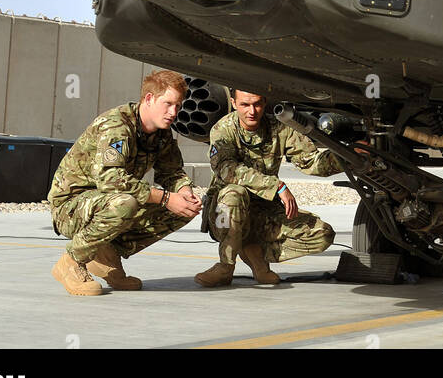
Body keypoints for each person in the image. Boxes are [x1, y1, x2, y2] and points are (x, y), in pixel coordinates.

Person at [48, 70, 202, 295]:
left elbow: (172, 172)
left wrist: (184, 192)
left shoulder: (162, 134)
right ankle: (71, 262)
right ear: (149, 99)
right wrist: (167, 198)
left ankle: (107, 256)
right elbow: (111, 180)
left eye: (178, 106)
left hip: (108, 200)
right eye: (168, 104)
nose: (173, 112)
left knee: (182, 210)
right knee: (125, 203)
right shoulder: (117, 126)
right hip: (71, 206)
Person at [194, 90, 348, 287]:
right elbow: (227, 169)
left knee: (322, 234)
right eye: (244, 105)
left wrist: (346, 157)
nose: (252, 111)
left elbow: (311, 162)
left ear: (265, 102)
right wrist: (277, 186)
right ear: (233, 103)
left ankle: (256, 254)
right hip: (224, 215)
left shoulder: (280, 129)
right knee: (234, 193)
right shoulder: (223, 129)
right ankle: (226, 266)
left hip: (263, 212)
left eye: (257, 104)